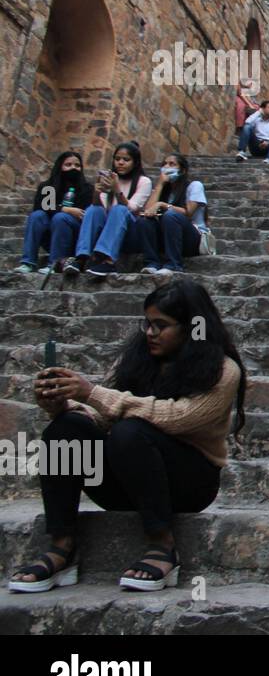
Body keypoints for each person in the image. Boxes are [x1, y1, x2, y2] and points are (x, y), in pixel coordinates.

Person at [9, 279, 245, 594]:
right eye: (147, 323)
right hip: (127, 480)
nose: (150, 333)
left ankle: (163, 546)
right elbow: (101, 414)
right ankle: (62, 547)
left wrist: (92, 393)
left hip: (189, 484)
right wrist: (61, 404)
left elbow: (179, 418)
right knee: (65, 429)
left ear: (193, 327)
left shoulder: (224, 370)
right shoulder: (135, 360)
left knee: (129, 430)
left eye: (161, 325)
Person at [73, 142, 154, 279]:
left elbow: (132, 208)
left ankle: (108, 261)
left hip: (131, 232)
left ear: (135, 162)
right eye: (117, 159)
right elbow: (101, 209)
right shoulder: (109, 180)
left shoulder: (144, 181)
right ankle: (81, 258)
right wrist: (97, 193)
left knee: (119, 209)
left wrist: (116, 189)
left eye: (126, 160)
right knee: (93, 209)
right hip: (109, 229)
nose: (120, 163)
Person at [16, 151, 95, 274]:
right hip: (51, 236)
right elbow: (43, 207)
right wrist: (65, 209)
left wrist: (61, 211)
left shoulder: (87, 188)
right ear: (60, 166)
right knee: (37, 216)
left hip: (73, 237)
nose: (73, 168)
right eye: (68, 165)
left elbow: (83, 214)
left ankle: (54, 264)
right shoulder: (48, 187)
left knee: (60, 218)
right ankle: (28, 262)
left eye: (77, 165)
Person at [137, 153, 209, 274]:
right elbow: (148, 211)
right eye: (164, 164)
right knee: (144, 221)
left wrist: (163, 205)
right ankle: (152, 263)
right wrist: (160, 184)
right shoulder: (163, 190)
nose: (166, 167)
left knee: (170, 216)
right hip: (168, 238)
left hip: (192, 239)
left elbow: (189, 213)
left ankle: (173, 265)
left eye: (172, 164)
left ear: (182, 170)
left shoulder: (194, 186)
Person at [233, 81, 260, 154]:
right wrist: (249, 104)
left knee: (257, 109)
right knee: (241, 106)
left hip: (247, 99)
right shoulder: (238, 81)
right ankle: (240, 127)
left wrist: (251, 103)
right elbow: (240, 93)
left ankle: (252, 131)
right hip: (241, 98)